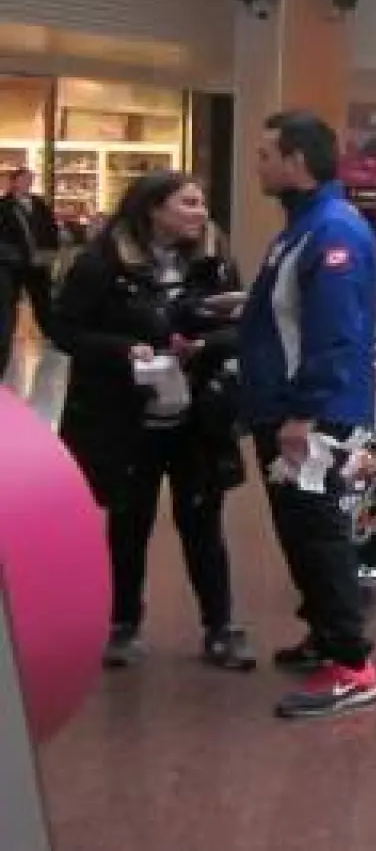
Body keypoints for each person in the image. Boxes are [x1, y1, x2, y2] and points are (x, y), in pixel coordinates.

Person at [53, 171, 253, 672]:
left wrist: (205, 343)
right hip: (127, 418)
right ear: (153, 209)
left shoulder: (213, 262)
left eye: (202, 202)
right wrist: (126, 350)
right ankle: (123, 624)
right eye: (188, 202)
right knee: (128, 521)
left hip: (197, 415)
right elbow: (65, 328)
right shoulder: (101, 264)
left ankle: (220, 627)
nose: (200, 212)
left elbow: (244, 327)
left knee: (202, 520)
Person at [238, 110, 376, 720]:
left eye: (267, 154)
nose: (257, 164)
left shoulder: (333, 231)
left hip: (313, 416)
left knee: (318, 534)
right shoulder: (302, 228)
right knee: (299, 531)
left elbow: (336, 337)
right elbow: (290, 315)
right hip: (284, 409)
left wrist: (304, 414)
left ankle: (352, 665)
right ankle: (326, 634)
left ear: (297, 162)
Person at [0, 167, 59, 378]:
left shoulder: (40, 204)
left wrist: (51, 252)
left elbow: (51, 228)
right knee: (9, 303)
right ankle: (6, 339)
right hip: (13, 266)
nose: (28, 183)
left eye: (30, 179)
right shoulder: (4, 206)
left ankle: (51, 334)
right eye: (24, 179)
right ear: (14, 182)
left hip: (39, 262)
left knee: (43, 299)